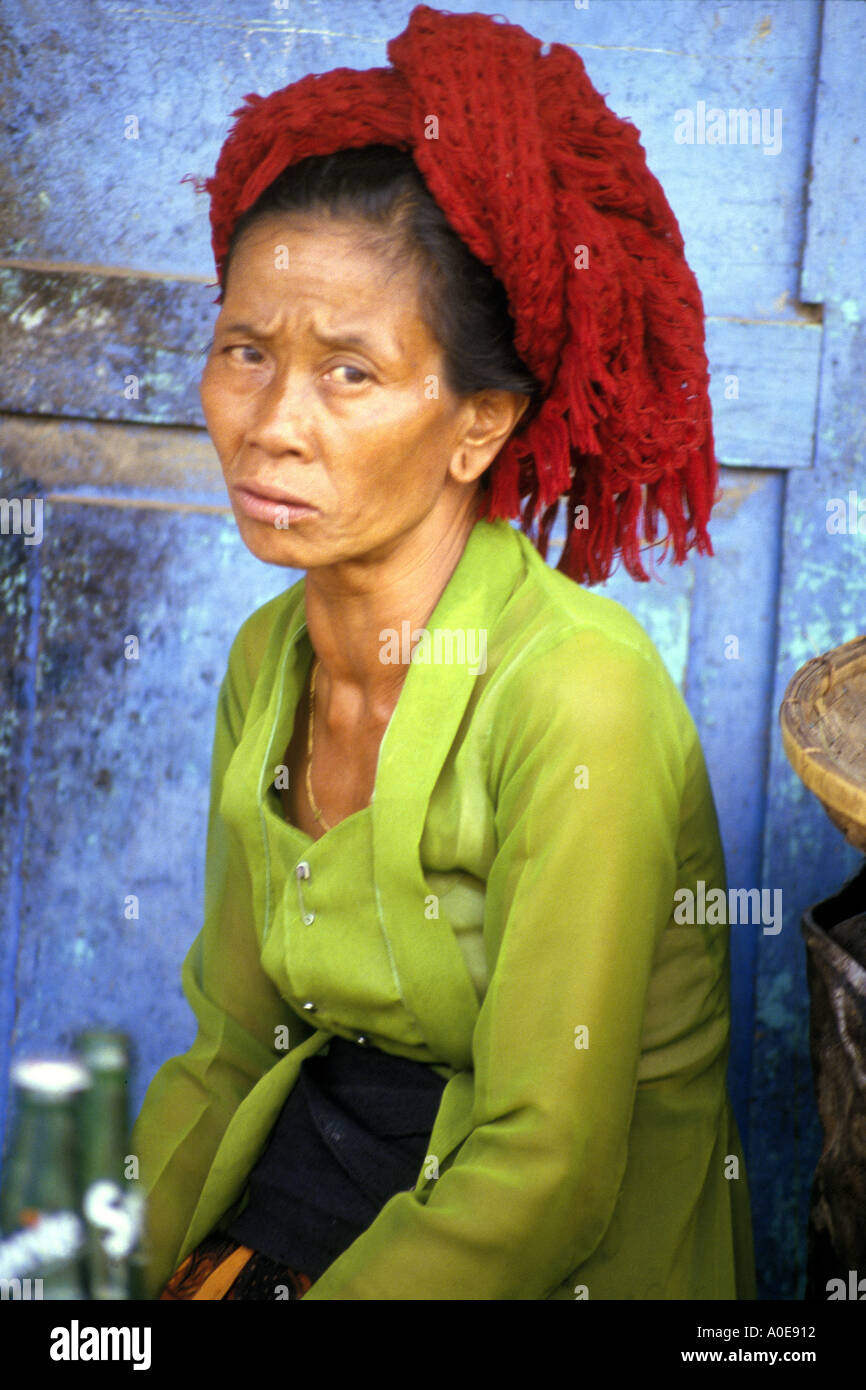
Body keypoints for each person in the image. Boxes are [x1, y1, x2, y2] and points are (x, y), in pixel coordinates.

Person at [130, 3, 756, 1300]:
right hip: (329, 1172)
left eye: (348, 373)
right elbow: (233, 1045)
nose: (269, 424)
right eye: (244, 351)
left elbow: (546, 1168)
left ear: (477, 425)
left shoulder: (577, 697)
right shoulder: (270, 658)